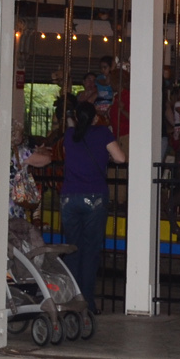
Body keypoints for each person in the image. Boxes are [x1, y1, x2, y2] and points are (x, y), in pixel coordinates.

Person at [59, 99, 125, 314]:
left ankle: (70, 297)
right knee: (90, 251)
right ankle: (87, 301)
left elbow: (71, 137)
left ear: (77, 117)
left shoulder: (69, 135)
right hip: (94, 198)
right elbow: (120, 158)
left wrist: (72, 119)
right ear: (96, 117)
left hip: (69, 197)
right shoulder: (103, 133)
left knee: (72, 249)